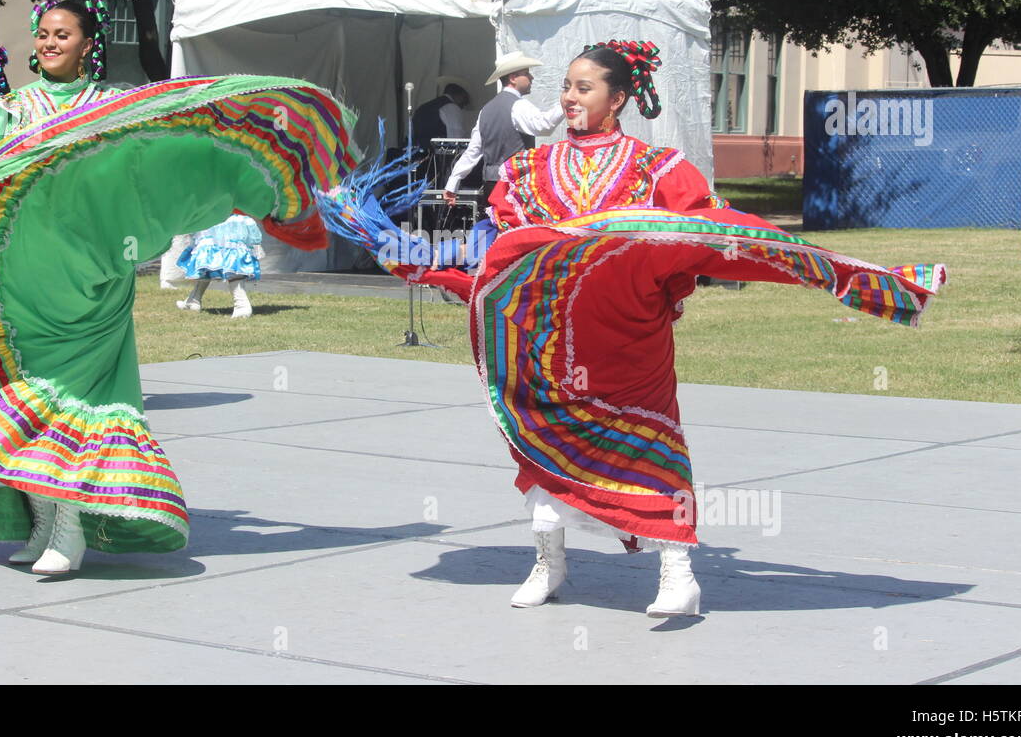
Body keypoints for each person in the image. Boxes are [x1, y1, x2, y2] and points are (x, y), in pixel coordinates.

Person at [318, 39, 945, 620]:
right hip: (548, 333)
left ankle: (678, 572)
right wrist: (419, 254)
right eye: (565, 86)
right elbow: (499, 248)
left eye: (585, 88)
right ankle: (550, 562)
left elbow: (707, 229)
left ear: (618, 99)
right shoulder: (530, 171)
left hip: (630, 333)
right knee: (541, 446)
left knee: (655, 446)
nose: (569, 98)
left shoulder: (657, 167)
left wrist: (744, 253)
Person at [0, 0, 360, 578]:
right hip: (21, 276)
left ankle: (70, 527)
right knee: (23, 393)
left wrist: (249, 180)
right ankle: (45, 521)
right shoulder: (9, 109)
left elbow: (166, 159)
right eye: (44, 35)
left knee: (71, 397)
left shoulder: (114, 107)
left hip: (91, 277)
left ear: (89, 44)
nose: (50, 43)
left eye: (64, 34)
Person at [442, 52, 564, 207]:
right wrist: (566, 102)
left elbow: (473, 152)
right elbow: (543, 125)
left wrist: (453, 183)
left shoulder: (486, 109)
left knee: (497, 227)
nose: (531, 78)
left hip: (491, 184)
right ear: (513, 78)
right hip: (514, 183)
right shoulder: (518, 105)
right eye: (526, 73)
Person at [175, 214, 264, 317]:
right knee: (209, 261)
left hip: (222, 213)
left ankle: (242, 305)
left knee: (231, 257)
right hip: (220, 213)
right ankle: (193, 301)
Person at [411, 83, 470, 183]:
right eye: (463, 102)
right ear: (459, 96)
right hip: (438, 161)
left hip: (418, 158)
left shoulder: (422, 108)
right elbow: (456, 139)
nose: (462, 106)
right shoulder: (451, 107)